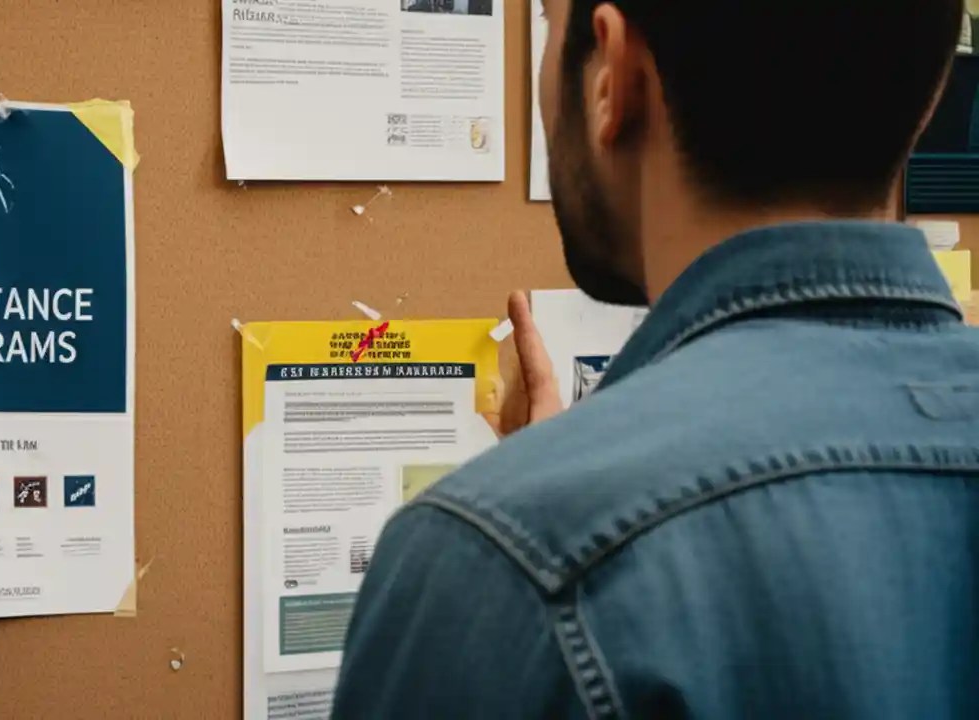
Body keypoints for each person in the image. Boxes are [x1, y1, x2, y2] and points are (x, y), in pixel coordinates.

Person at [334, 0, 977, 717]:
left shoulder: (500, 567)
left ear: (616, 75)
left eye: (547, 24)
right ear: (927, 97)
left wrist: (548, 512)